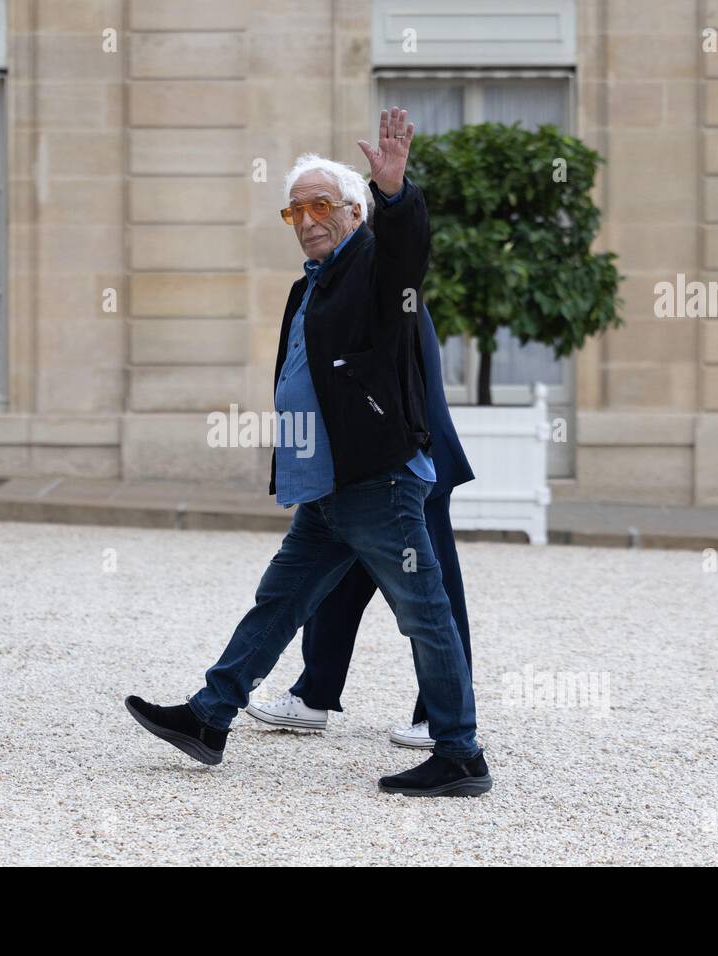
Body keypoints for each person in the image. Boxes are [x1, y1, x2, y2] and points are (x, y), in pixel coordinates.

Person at [125, 108, 491, 797]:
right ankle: (210, 717)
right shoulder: (311, 284)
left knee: (424, 612)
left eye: (322, 204)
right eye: (295, 209)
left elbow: (408, 247)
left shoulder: (378, 269)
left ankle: (460, 754)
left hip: (378, 481)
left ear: (353, 211)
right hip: (329, 486)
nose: (308, 218)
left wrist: (396, 193)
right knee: (278, 602)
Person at [245, 298, 474, 750]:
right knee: (338, 584)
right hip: (361, 472)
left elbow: (408, 380)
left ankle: (439, 717)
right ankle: (314, 694)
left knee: (433, 592)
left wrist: (408, 465)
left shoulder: (385, 285)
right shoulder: (342, 287)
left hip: (408, 468)